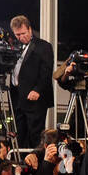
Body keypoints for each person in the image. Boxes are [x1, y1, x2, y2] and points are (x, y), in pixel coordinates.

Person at [8, 15, 54, 149]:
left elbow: (46, 71)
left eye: (23, 33)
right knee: (19, 134)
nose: (21, 37)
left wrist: (37, 90)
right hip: (17, 96)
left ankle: (36, 159)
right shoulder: (14, 47)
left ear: (29, 29)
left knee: (35, 134)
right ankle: (21, 160)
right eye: (17, 35)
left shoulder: (43, 46)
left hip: (35, 98)